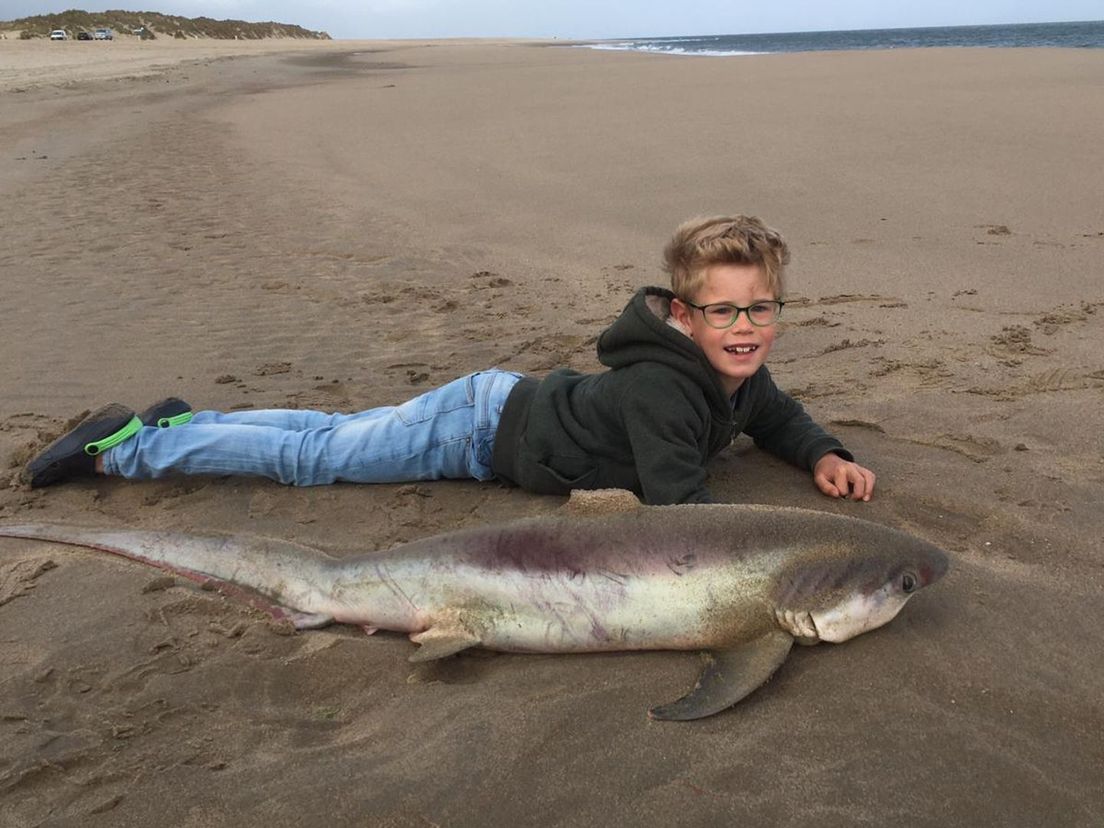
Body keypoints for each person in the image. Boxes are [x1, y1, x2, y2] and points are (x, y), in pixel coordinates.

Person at [25, 215, 875, 505]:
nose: (745, 327)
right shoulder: (663, 390)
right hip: (472, 434)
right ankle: (129, 447)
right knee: (316, 457)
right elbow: (680, 507)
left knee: (331, 430)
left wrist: (824, 454)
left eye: (760, 308)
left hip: (495, 405)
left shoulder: (737, 375)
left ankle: (187, 422)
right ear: (684, 315)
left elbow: (774, 415)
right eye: (723, 311)